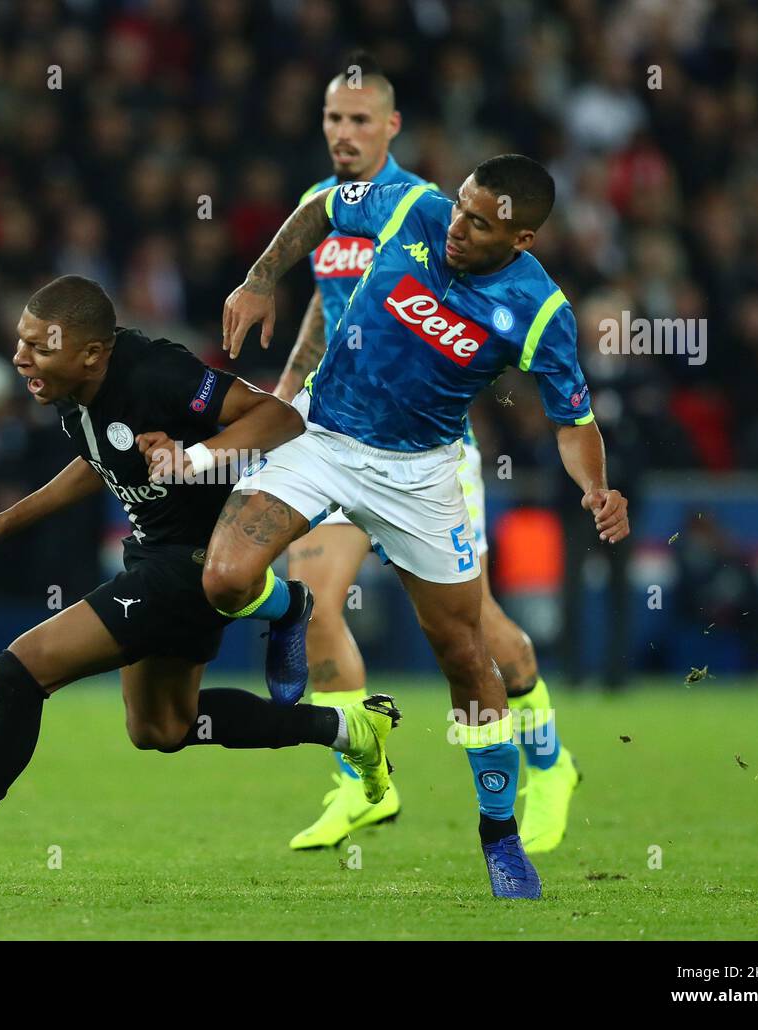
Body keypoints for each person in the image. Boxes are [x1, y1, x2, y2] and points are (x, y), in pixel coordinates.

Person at [0, 275, 401, 889]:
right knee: (161, 729)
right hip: (155, 555)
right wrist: (1, 524)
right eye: (21, 343)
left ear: (91, 354)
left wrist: (198, 457)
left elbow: (278, 417)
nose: (22, 357)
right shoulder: (74, 392)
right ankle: (349, 728)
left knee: (20, 672)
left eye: (39, 348)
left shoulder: (157, 373)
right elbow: (97, 460)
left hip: (194, 563)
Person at [207, 156, 631, 899]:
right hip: (323, 437)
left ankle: (500, 836)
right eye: (461, 208)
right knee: (225, 578)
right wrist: (261, 276)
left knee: (468, 655)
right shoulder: (412, 210)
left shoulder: (538, 310)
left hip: (423, 477)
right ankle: (294, 610)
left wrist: (596, 487)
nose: (458, 228)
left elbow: (574, 420)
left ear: (522, 238)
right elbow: (322, 206)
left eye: (480, 223)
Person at [273, 57, 584, 854]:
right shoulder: (325, 212)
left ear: (391, 127)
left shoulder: (421, 210)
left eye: (359, 121)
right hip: (336, 435)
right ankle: (361, 783)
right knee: (311, 600)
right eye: (333, 120)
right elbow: (323, 307)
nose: (344, 135)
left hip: (423, 458)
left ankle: (548, 760)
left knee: (474, 627)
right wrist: (285, 398)